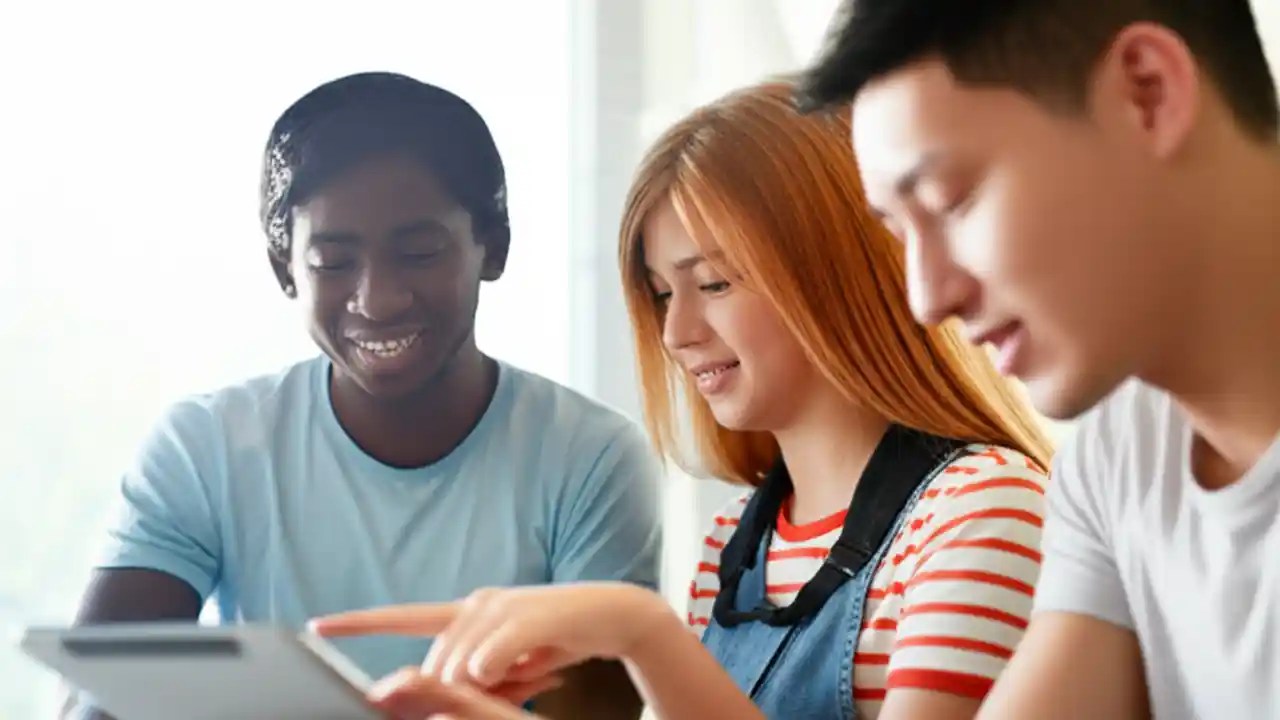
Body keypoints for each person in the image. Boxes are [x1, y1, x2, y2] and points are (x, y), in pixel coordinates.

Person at [312, 80, 1055, 720]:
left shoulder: (978, 510)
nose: (677, 332)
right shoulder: (738, 546)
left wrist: (646, 634)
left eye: (716, 284)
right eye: (664, 293)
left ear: (838, 272)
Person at [63, 72, 660, 719]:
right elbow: (97, 698)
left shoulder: (590, 459)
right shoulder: (204, 447)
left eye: (420, 251)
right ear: (282, 267)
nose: (377, 298)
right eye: (333, 262)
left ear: (494, 245)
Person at [792, 0, 1280, 718]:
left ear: (1147, 93)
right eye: (901, 234)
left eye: (951, 202)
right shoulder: (1117, 460)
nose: (929, 300)